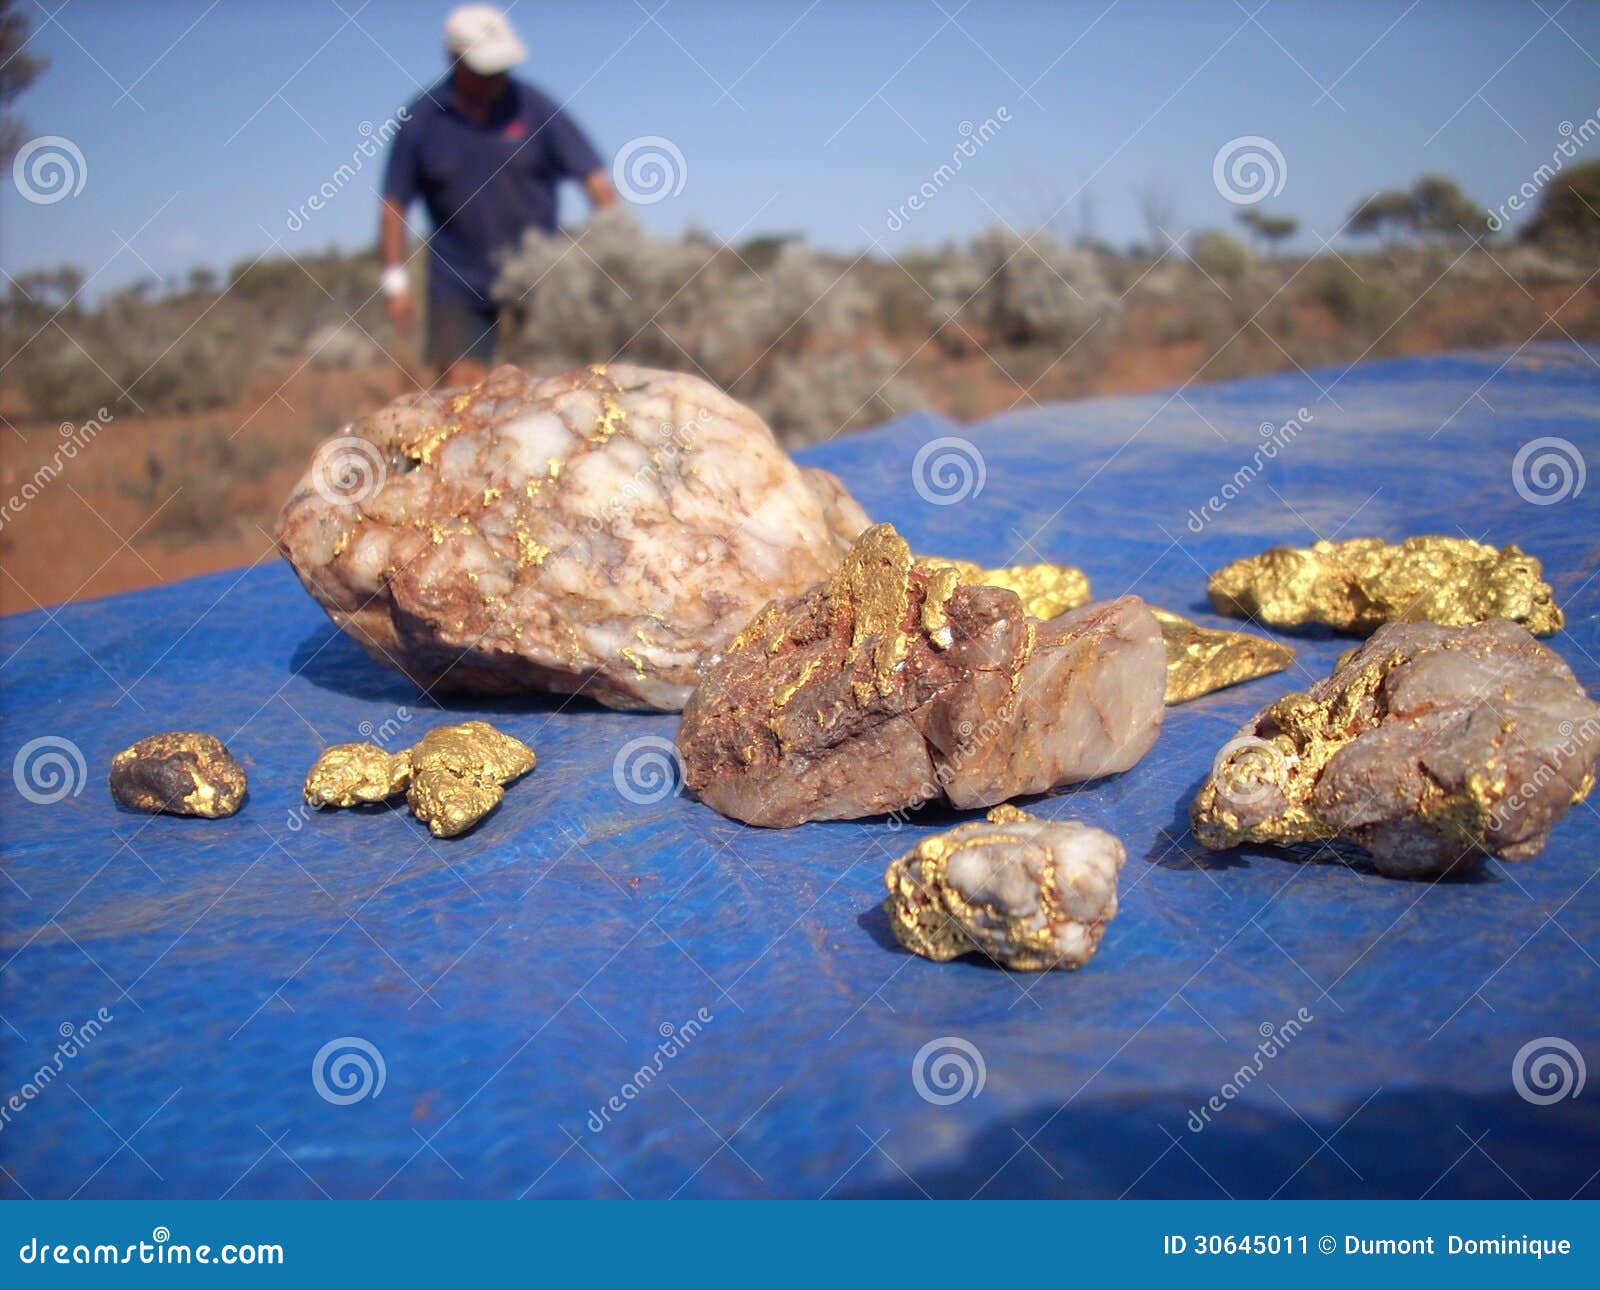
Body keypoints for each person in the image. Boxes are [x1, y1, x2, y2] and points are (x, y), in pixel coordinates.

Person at [380, 4, 616, 385]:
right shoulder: (422, 120)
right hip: (458, 283)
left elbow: (595, 180)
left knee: (546, 393)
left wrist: (616, 246)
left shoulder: (536, 108)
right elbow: (394, 206)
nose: (497, 78)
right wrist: (395, 281)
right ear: (455, 60)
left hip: (537, 278)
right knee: (461, 400)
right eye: (484, 69)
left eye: (503, 66)